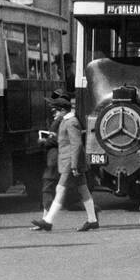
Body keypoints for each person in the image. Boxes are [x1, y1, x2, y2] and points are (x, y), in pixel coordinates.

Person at [32, 91, 97, 232]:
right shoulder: (67, 121)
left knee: (60, 189)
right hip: (71, 162)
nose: (54, 114)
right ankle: (92, 220)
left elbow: (77, 144)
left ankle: (48, 221)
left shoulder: (71, 122)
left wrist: (74, 165)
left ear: (62, 110)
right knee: (84, 191)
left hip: (70, 163)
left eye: (56, 111)